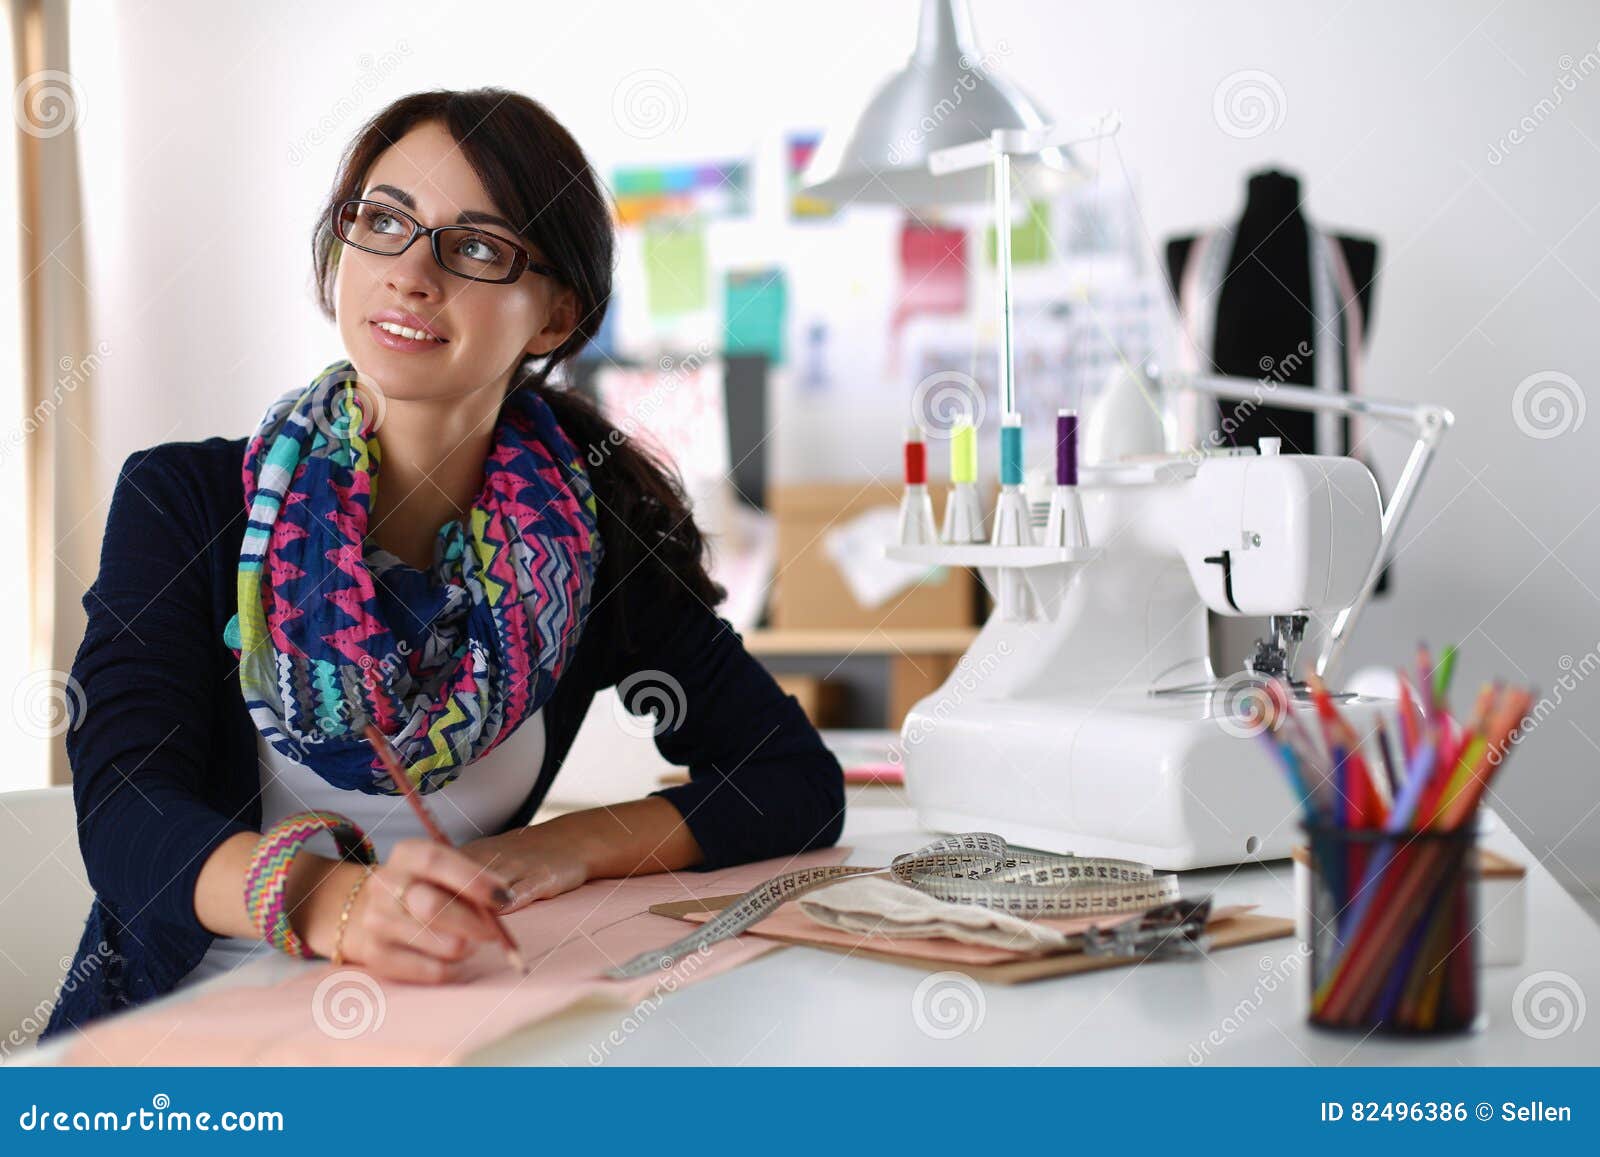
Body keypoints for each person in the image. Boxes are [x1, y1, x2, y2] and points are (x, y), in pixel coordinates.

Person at [40, 88, 844, 1041]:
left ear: (553, 318)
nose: (412, 273)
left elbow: (791, 781)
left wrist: (566, 846)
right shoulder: (187, 502)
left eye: (475, 246)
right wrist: (335, 903)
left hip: (449, 1025)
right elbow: (127, 808)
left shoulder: (591, 539)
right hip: (193, 1030)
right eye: (384, 221)